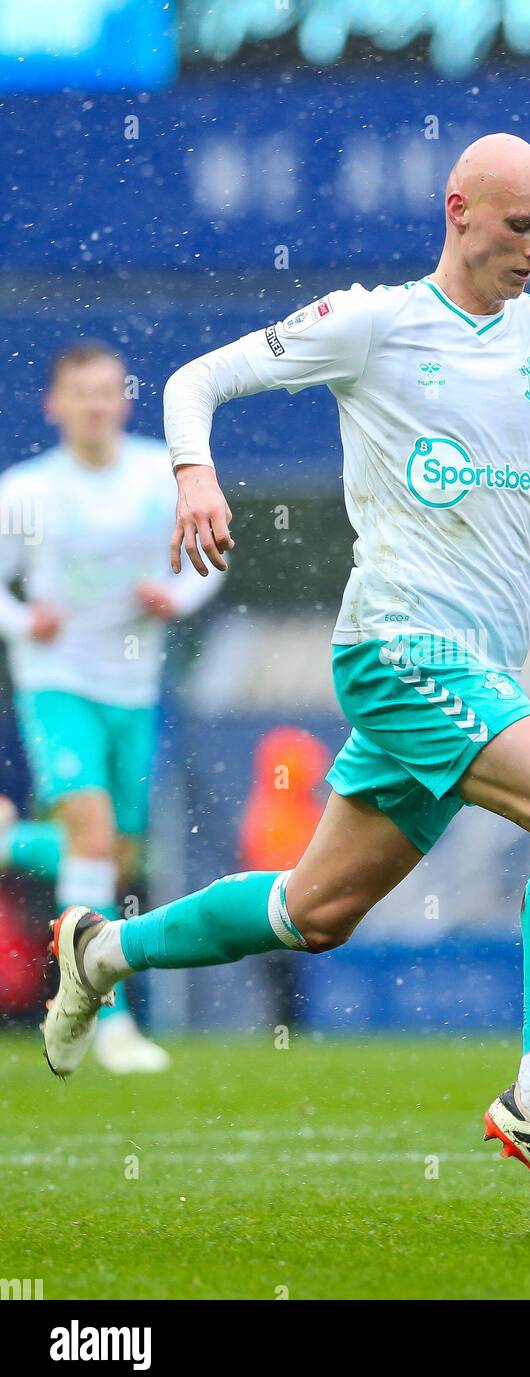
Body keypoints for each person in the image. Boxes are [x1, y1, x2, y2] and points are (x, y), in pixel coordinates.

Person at [42, 135, 530, 1218]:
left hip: (471, 669)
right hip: (396, 650)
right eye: (518, 226)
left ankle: (100, 950)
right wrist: (195, 474)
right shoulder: (372, 322)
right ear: (457, 207)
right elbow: (198, 380)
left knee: (312, 910)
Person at [0, 342, 224, 1072]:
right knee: (93, 838)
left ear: (124, 400)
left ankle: (8, 844)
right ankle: (111, 1021)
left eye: (106, 391)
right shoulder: (27, 490)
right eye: (80, 392)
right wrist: (25, 620)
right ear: (54, 404)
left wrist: (176, 595)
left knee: (120, 855)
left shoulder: (159, 473)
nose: (95, 404)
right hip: (56, 682)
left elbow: (211, 553)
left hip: (136, 689)